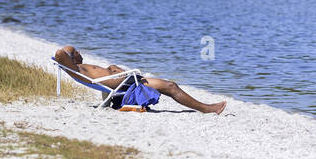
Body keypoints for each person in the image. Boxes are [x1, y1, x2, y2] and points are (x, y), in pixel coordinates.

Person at [53, 45, 226, 115]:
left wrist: (113, 68)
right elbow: (60, 53)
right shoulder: (76, 68)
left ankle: (206, 108)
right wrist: (69, 52)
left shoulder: (80, 68)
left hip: (121, 80)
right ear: (73, 58)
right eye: (77, 52)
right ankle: (207, 109)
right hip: (124, 82)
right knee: (170, 86)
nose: (80, 53)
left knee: (169, 85)